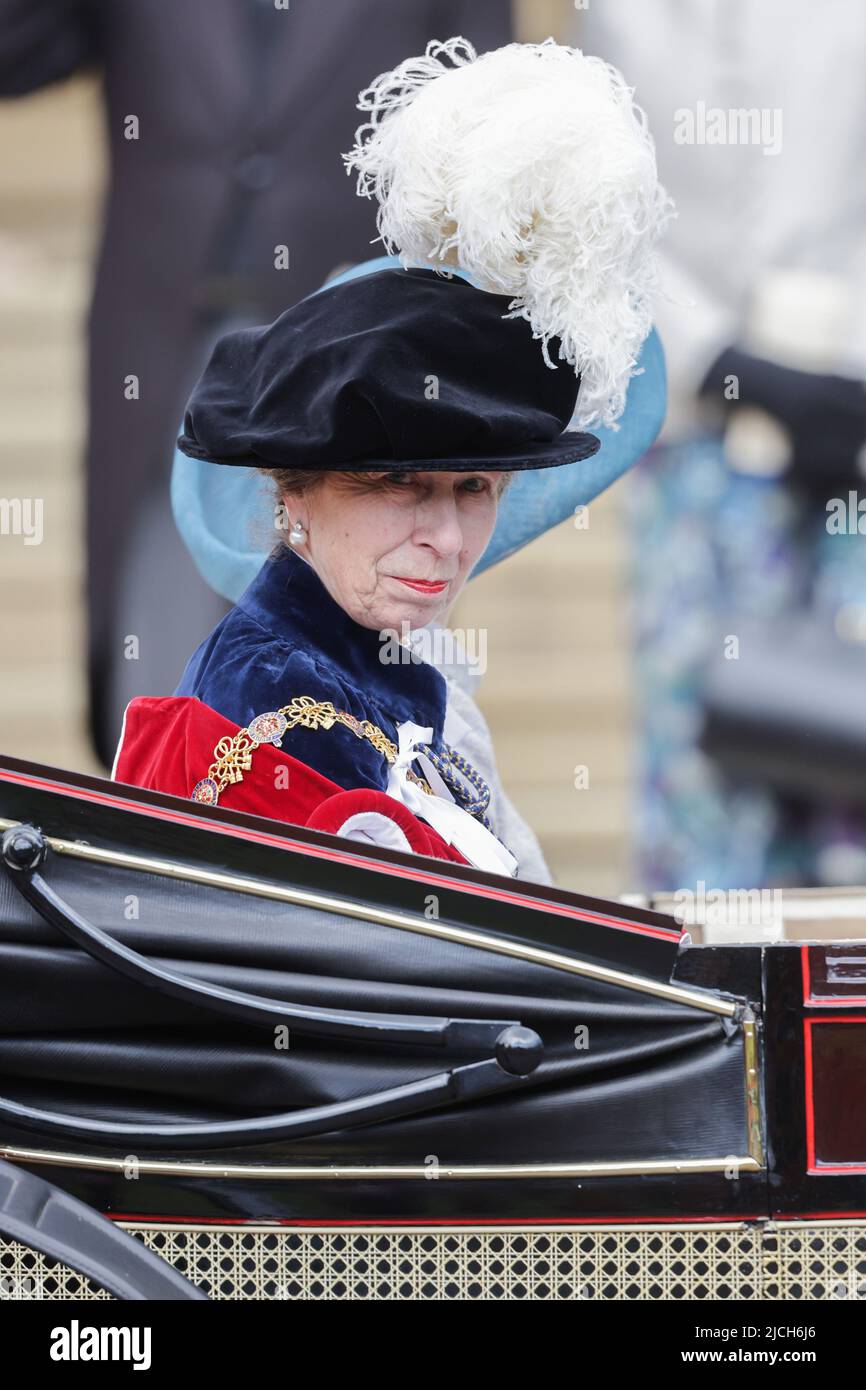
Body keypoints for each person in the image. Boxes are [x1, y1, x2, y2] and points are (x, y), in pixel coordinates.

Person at [112, 35, 671, 879]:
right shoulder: (272, 699)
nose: (447, 538)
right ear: (293, 494)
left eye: (475, 486)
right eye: (400, 483)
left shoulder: (389, 671)